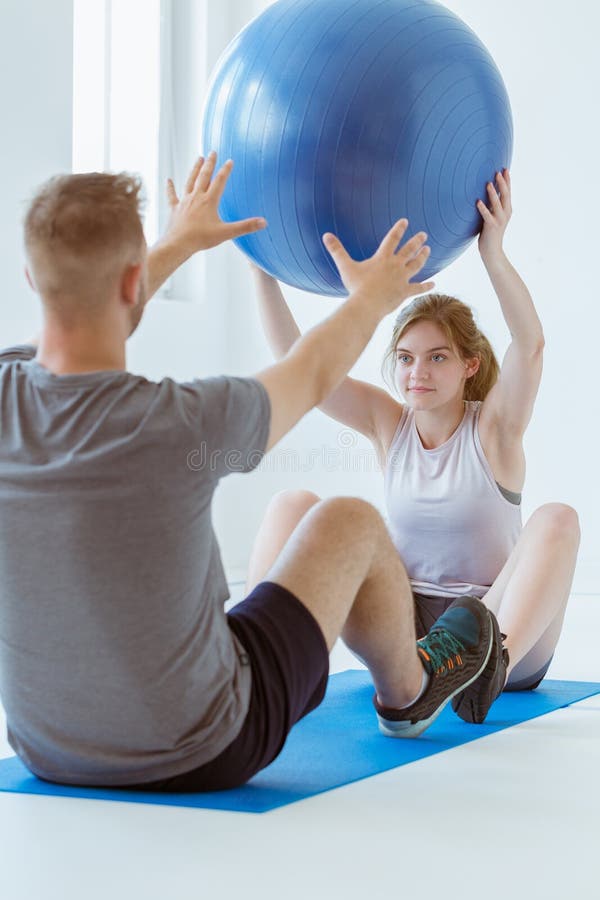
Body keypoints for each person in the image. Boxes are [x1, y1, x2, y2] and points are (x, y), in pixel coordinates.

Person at [0, 152, 503, 794]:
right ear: (133, 283)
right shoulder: (181, 418)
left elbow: (84, 309)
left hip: (48, 750)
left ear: (30, 279)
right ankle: (413, 690)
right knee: (348, 521)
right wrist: (374, 298)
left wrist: (176, 244)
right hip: (207, 749)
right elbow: (312, 372)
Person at [250, 169, 580, 725]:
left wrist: (492, 253)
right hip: (403, 634)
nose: (416, 372)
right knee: (293, 503)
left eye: (437, 357)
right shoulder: (388, 422)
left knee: (557, 520)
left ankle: (485, 668)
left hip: (495, 622)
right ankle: (255, 661)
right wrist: (263, 267)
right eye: (405, 357)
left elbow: (531, 344)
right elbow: (299, 361)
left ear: (469, 365)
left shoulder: (493, 428)